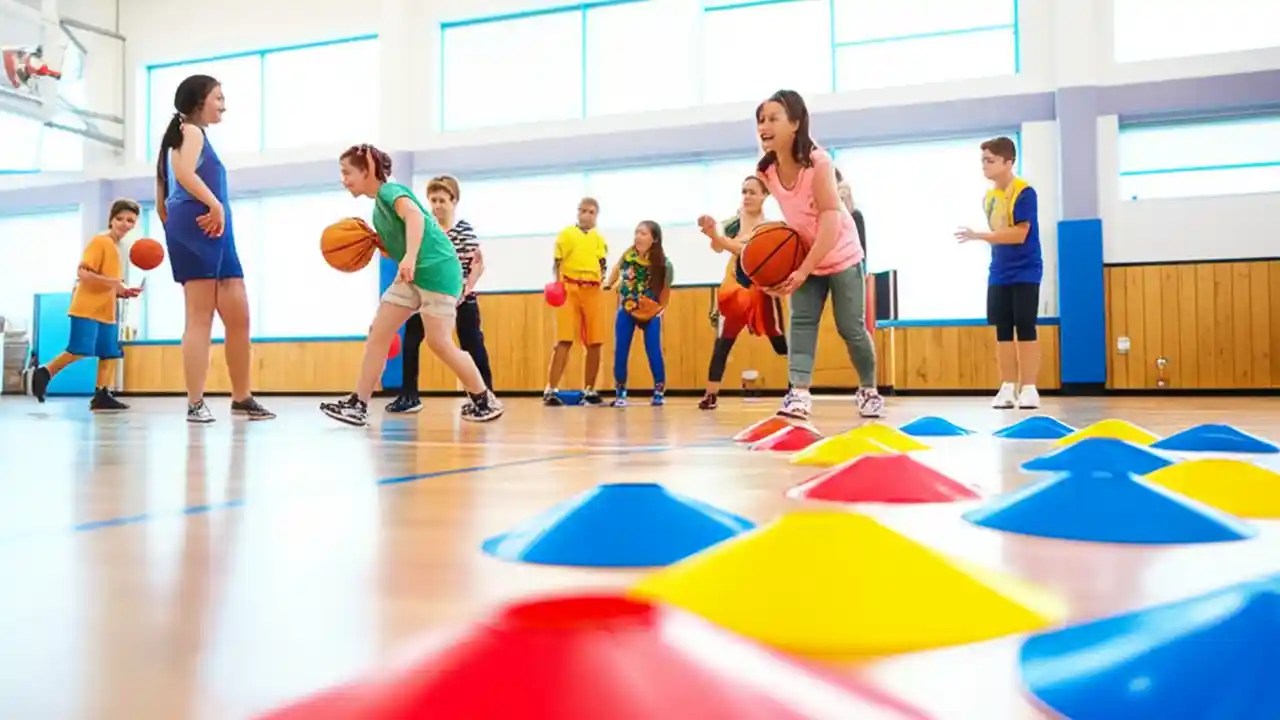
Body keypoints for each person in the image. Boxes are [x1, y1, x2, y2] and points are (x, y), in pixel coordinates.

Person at [321, 145, 502, 427]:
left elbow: (416, 218)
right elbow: (402, 239)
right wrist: (396, 254)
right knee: (379, 330)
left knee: (438, 342)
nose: (343, 178)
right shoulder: (378, 210)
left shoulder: (390, 192)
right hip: (412, 276)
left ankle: (483, 397)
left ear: (367, 170)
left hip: (438, 272)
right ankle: (359, 403)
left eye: (347, 172)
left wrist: (409, 256)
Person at [753, 89, 884, 420]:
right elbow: (756, 217)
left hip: (840, 252)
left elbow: (831, 220)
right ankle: (798, 394)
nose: (764, 125)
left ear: (795, 123)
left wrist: (801, 270)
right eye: (761, 120)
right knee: (801, 322)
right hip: (805, 253)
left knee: (850, 327)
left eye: (773, 118)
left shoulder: (818, 162)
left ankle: (868, 390)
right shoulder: (766, 170)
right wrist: (763, 270)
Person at [156, 74, 274, 423]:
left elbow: (162, 199)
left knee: (239, 316)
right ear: (199, 102)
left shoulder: (182, 136)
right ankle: (195, 403)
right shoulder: (189, 132)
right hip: (201, 224)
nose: (223, 104)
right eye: (218, 98)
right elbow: (183, 173)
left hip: (214, 230)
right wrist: (214, 206)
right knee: (200, 318)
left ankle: (242, 397)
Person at [386, 174, 493, 414]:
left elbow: (477, 264)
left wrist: (465, 290)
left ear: (453, 201)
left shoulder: (464, 230)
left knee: (472, 343)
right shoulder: (427, 230)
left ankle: (485, 394)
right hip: (428, 297)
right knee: (411, 340)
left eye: (442, 200)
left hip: (461, 297)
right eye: (432, 200)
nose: (436, 205)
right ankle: (409, 395)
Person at [29, 199, 143, 410]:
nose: (125, 224)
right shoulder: (101, 241)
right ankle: (45, 371)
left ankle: (102, 394)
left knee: (109, 352)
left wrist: (122, 291)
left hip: (107, 310)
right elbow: (83, 273)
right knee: (79, 349)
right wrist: (114, 283)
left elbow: (107, 281)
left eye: (130, 221)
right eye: (120, 219)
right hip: (87, 307)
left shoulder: (117, 247)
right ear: (111, 220)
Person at [955, 135, 1043, 409]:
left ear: (1008, 162)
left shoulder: (1024, 192)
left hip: (1026, 269)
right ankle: (1007, 386)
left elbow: (1019, 234)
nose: (985, 165)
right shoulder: (989, 197)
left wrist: (979, 235)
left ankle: (1029, 387)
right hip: (999, 270)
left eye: (990, 160)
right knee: (1002, 328)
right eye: (983, 160)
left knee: (1025, 326)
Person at [695, 176, 787, 410]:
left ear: (765, 195)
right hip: (734, 290)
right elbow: (717, 248)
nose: (747, 196)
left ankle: (797, 389)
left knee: (780, 344)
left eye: (752, 192)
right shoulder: (733, 223)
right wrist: (713, 234)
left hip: (760, 292)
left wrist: (717, 237)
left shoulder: (768, 227)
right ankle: (711, 394)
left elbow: (745, 248)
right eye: (744, 192)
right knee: (723, 343)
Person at [543, 198, 609, 406]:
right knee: (564, 339)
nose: (586, 215)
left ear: (596, 216)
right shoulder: (566, 235)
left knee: (595, 341)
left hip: (592, 289)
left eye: (591, 212)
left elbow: (602, 263)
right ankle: (551, 389)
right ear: (577, 213)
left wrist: (603, 281)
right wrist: (557, 285)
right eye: (583, 211)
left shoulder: (599, 239)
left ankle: (589, 389)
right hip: (569, 287)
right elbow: (557, 263)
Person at [602, 221, 673, 407]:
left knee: (653, 350)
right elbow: (618, 267)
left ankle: (658, 390)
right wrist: (609, 282)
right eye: (636, 233)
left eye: (643, 233)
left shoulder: (663, 264)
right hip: (627, 309)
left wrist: (658, 310)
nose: (638, 237)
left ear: (654, 239)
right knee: (621, 351)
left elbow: (665, 293)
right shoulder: (628, 254)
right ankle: (620, 391)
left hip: (650, 312)